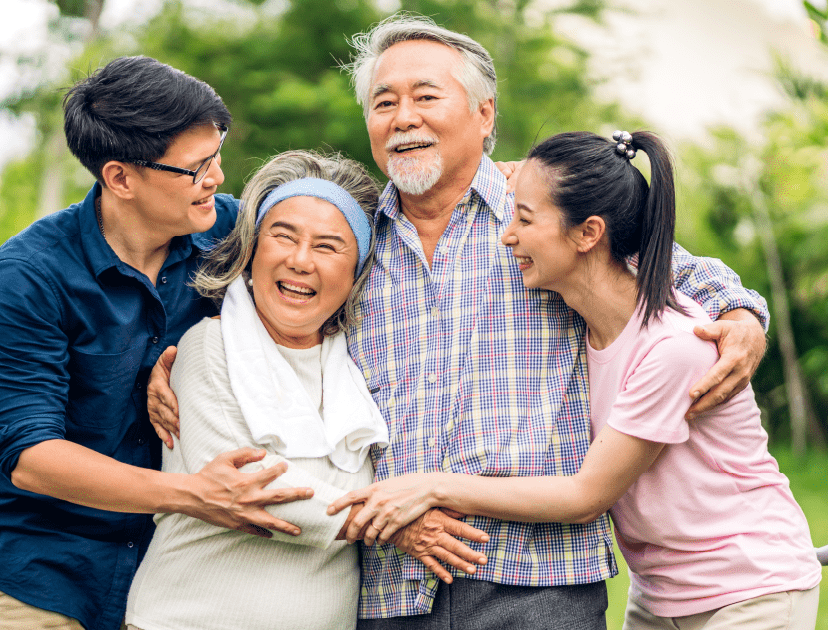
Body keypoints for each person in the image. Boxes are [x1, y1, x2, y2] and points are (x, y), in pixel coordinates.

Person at [142, 14, 772, 630]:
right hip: (391, 585)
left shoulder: (541, 217)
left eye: (426, 96)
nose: (403, 117)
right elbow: (262, 290)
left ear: (485, 114)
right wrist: (167, 355)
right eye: (384, 103)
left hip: (537, 579)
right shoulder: (353, 237)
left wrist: (741, 312)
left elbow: (667, 265)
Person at [330, 130, 822, 629]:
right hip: (660, 597)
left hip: (749, 587)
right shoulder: (579, 330)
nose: (506, 235)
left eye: (523, 219)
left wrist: (432, 486)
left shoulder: (676, 345)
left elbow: (586, 496)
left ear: (588, 234)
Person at [0, 56, 321, 630]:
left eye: (217, 154)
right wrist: (196, 494)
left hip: (163, 570)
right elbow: (31, 456)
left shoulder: (227, 233)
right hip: (39, 565)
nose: (217, 179)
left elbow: (340, 233)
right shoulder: (23, 278)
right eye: (195, 167)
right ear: (120, 177)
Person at [123, 150, 490, 630]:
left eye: (328, 246)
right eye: (283, 236)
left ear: (357, 271)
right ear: (253, 250)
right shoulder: (209, 346)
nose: (300, 261)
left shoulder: (363, 361)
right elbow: (253, 490)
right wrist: (394, 524)